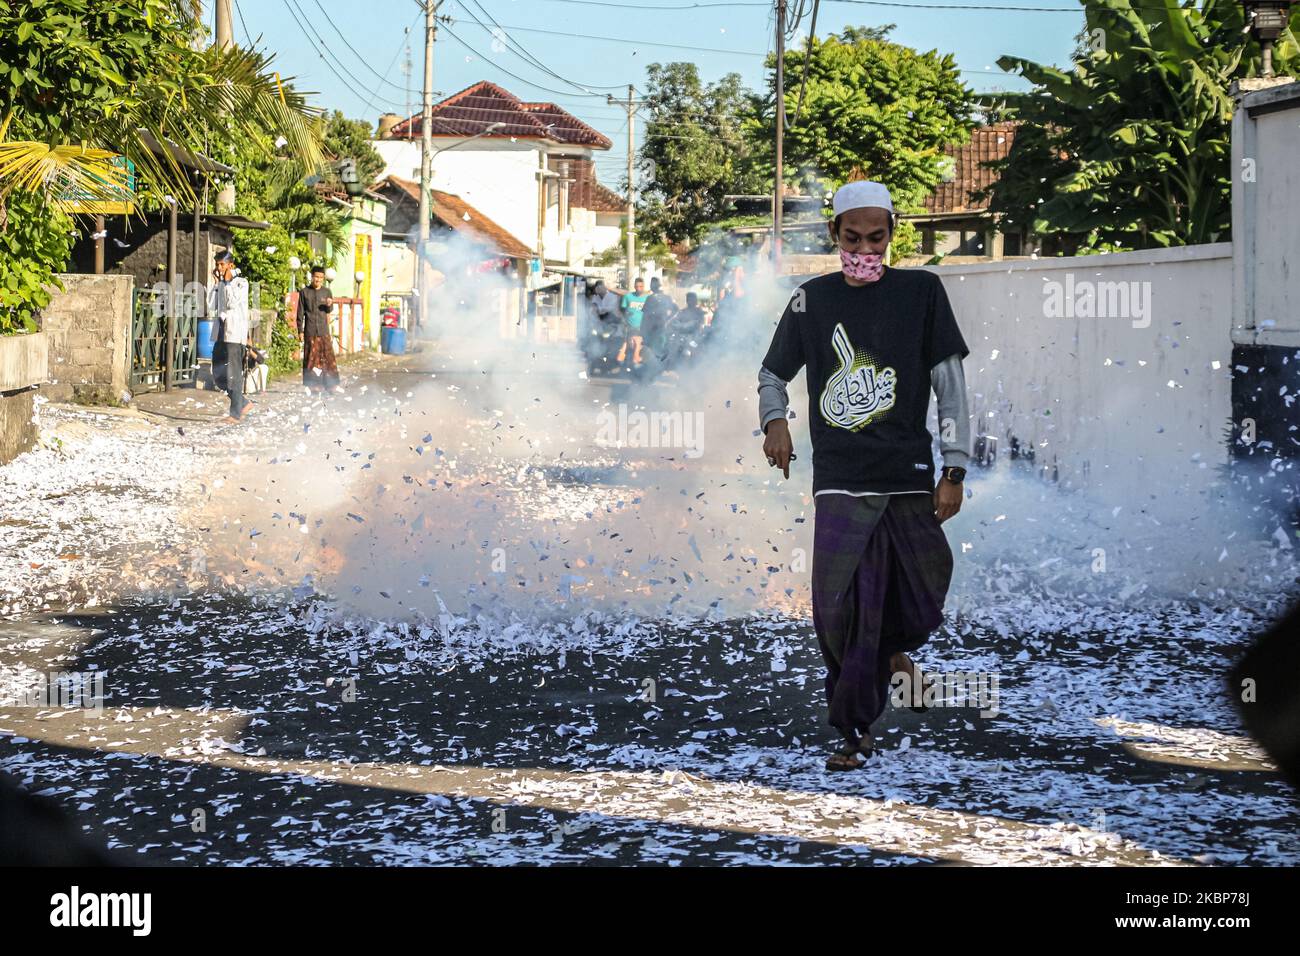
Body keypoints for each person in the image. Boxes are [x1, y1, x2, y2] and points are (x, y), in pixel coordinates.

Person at [757, 180, 972, 772]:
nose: (864, 248)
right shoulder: (811, 301)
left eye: (876, 238)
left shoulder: (923, 292)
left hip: (907, 474)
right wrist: (775, 423)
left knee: (924, 589)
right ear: (833, 235)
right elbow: (772, 373)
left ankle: (892, 657)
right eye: (852, 237)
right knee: (836, 608)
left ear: (892, 235)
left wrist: (954, 468)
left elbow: (950, 386)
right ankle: (855, 730)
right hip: (840, 478)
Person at [207, 250, 253, 422]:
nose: (219, 268)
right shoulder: (221, 283)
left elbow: (231, 303)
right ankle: (243, 403)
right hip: (221, 332)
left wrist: (226, 283)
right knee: (218, 376)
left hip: (234, 334)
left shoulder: (241, 283)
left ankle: (235, 414)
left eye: (222, 264)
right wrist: (217, 284)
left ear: (231, 265)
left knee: (233, 374)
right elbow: (211, 305)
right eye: (217, 264)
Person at [296, 265, 340, 391]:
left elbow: (329, 310)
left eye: (321, 278)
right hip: (310, 331)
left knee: (328, 358)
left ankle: (331, 384)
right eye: (316, 277)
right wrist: (300, 331)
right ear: (312, 277)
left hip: (323, 331)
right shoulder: (304, 292)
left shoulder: (327, 292)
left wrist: (329, 305)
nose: (318, 280)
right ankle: (314, 385)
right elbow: (300, 313)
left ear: (323, 279)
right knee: (312, 359)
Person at [640, 276, 678, 359]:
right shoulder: (650, 298)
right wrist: (643, 329)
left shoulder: (666, 297)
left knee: (659, 349)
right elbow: (645, 315)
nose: (651, 286)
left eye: (653, 284)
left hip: (660, 327)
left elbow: (676, 309)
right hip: (651, 328)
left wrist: (667, 320)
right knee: (652, 351)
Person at [616, 277, 649, 367]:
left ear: (644, 286)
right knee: (626, 345)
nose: (639, 288)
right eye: (637, 286)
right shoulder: (628, 297)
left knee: (639, 346)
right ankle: (624, 364)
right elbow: (621, 310)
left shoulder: (648, 298)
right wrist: (624, 319)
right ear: (634, 286)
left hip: (642, 327)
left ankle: (639, 363)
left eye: (641, 286)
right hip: (630, 327)